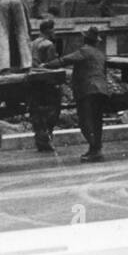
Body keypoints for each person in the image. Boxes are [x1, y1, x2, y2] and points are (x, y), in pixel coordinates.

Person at [43, 25, 110, 162]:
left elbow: (64, 61)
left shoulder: (84, 51)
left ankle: (95, 149)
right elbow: (103, 73)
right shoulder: (100, 54)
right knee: (97, 121)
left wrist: (45, 66)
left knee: (85, 121)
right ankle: (95, 149)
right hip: (101, 90)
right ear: (96, 41)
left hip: (87, 90)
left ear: (85, 39)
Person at [28, 19, 62, 153]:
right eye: (53, 29)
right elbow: (51, 64)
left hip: (33, 80)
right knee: (51, 112)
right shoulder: (48, 45)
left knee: (36, 112)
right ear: (48, 30)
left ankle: (40, 141)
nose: (54, 32)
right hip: (45, 82)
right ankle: (46, 141)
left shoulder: (32, 43)